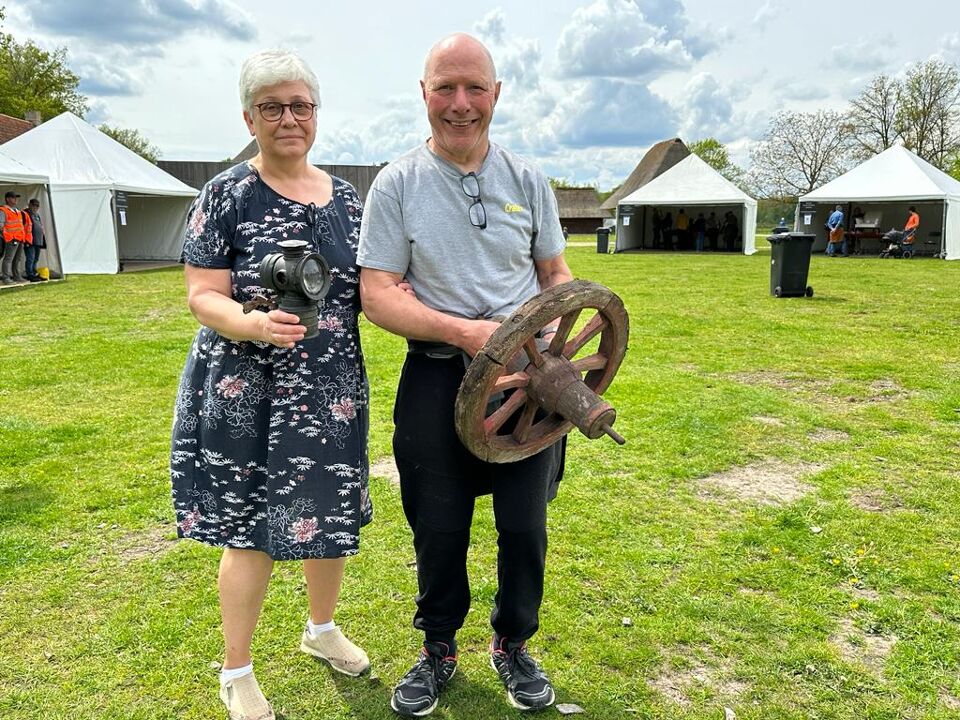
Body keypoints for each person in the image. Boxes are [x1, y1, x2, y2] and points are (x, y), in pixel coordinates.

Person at [357, 33, 572, 716]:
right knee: (439, 526)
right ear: (424, 94)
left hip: (526, 380)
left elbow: (556, 275)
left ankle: (512, 644)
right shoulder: (396, 184)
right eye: (444, 88)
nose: (460, 104)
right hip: (436, 375)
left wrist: (547, 337)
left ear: (496, 94)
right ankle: (438, 648)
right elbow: (379, 292)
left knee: (524, 526)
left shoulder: (527, 179)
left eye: (474, 88)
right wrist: (462, 331)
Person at [169, 49, 371, 720]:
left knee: (331, 513)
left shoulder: (346, 198)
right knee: (251, 529)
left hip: (331, 388)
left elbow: (371, 288)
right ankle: (237, 671)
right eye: (273, 107)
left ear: (317, 113)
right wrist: (251, 325)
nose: (289, 118)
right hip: (245, 387)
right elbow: (202, 295)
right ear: (250, 117)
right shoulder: (226, 192)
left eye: (301, 105)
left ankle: (321, 631)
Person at [2, 190, 29, 283]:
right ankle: (6, 277)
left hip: (20, 238)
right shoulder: (3, 210)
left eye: (16, 197)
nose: (16, 199)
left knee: (17, 259)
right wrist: (6, 235)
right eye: (13, 197)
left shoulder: (17, 211)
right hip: (11, 238)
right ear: (8, 199)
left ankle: (17, 276)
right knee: (8, 259)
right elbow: (1, 225)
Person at [24, 198, 46, 281]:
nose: (36, 207)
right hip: (30, 240)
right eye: (34, 205)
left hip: (38, 240)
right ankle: (30, 274)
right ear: (29, 204)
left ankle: (34, 273)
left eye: (37, 206)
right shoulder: (25, 213)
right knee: (30, 258)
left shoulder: (37, 215)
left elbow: (40, 225)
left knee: (36, 258)